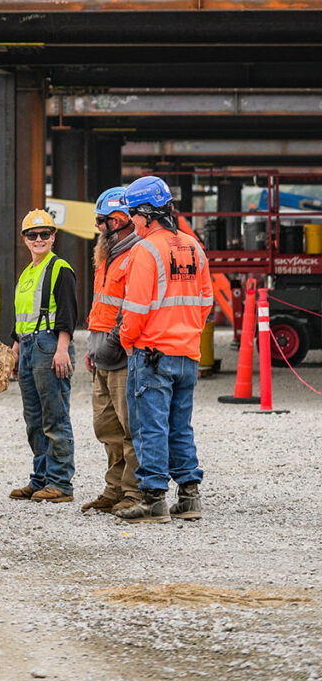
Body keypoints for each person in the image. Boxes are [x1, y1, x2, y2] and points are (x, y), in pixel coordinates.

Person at [115, 174, 213, 524]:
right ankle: (188, 497)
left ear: (146, 213)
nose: (132, 222)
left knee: (149, 428)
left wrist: (126, 340)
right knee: (179, 427)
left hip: (152, 354)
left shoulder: (145, 250)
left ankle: (153, 499)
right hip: (186, 353)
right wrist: (186, 333)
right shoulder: (193, 246)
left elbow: (136, 309)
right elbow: (205, 302)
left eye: (133, 215)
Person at [8, 208, 77, 504]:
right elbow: (24, 315)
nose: (39, 239)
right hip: (27, 346)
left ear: (53, 237)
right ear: (24, 239)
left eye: (45, 234)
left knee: (55, 416)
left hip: (49, 346)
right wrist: (15, 348)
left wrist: (62, 349)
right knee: (34, 418)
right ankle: (41, 479)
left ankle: (60, 482)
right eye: (33, 235)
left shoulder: (60, 268)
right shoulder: (28, 273)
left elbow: (68, 312)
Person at [82, 187, 141, 515]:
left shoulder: (136, 256)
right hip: (102, 352)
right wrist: (93, 347)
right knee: (107, 426)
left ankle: (133, 492)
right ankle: (114, 488)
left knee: (130, 426)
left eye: (107, 220)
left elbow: (132, 310)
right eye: (100, 220)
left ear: (124, 221)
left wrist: (112, 344)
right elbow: (101, 307)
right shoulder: (107, 256)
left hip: (122, 355)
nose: (101, 227)